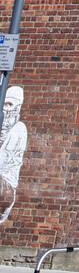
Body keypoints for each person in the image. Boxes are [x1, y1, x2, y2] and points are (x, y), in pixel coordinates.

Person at [0, 85, 27, 223]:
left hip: (6, 184)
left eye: (9, 104)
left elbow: (4, 162)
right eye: (3, 103)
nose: (5, 108)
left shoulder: (19, 129)